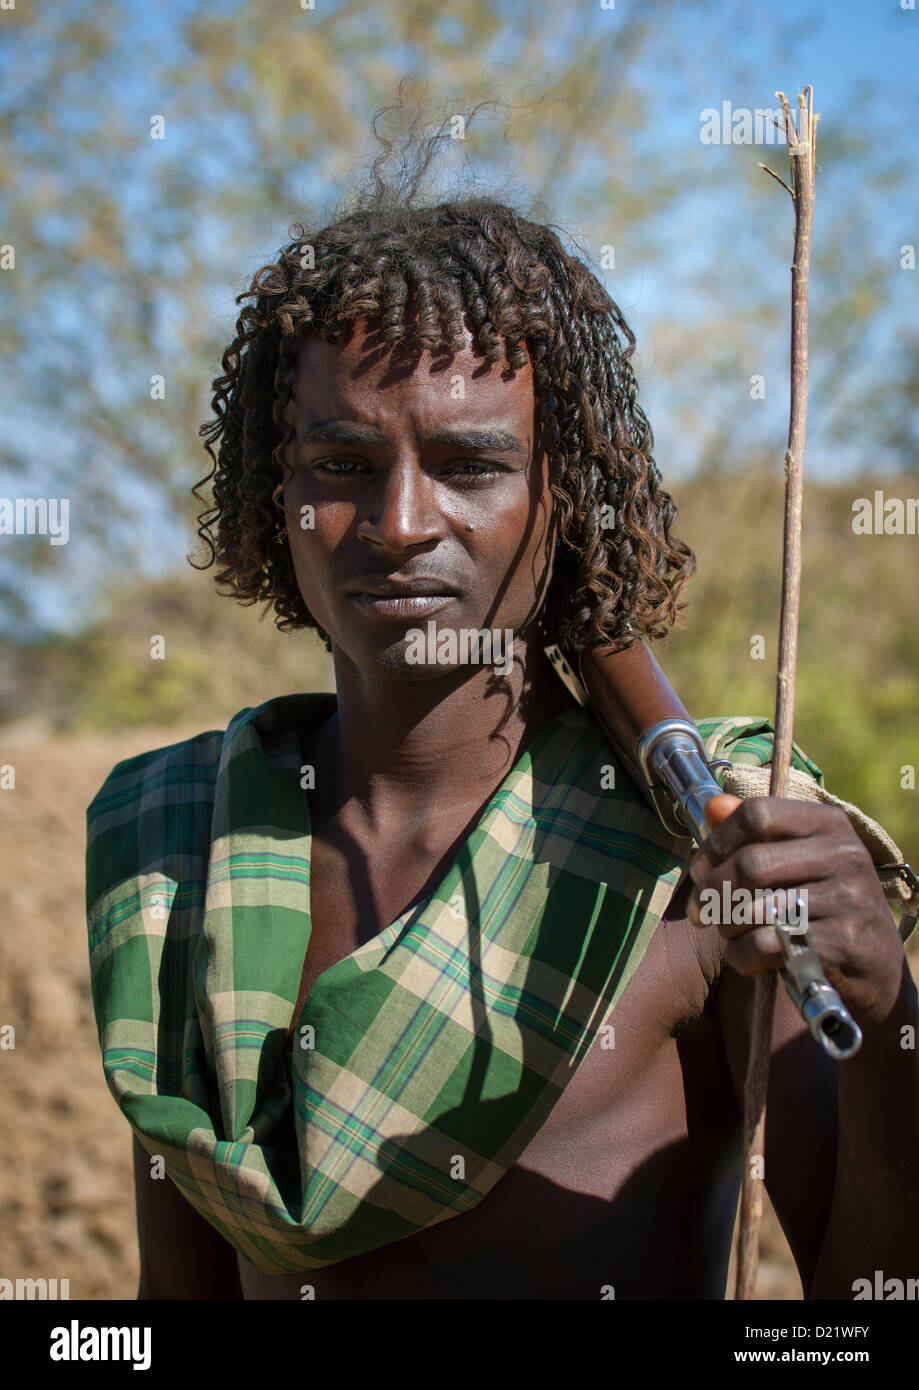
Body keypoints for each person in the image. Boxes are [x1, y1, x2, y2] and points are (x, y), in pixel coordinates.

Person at [85, 178, 919, 1301]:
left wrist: (886, 1008)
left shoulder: (699, 861)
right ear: (269, 494)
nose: (399, 524)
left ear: (561, 498)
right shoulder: (182, 841)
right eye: (340, 465)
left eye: (470, 465)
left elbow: (868, 1311)